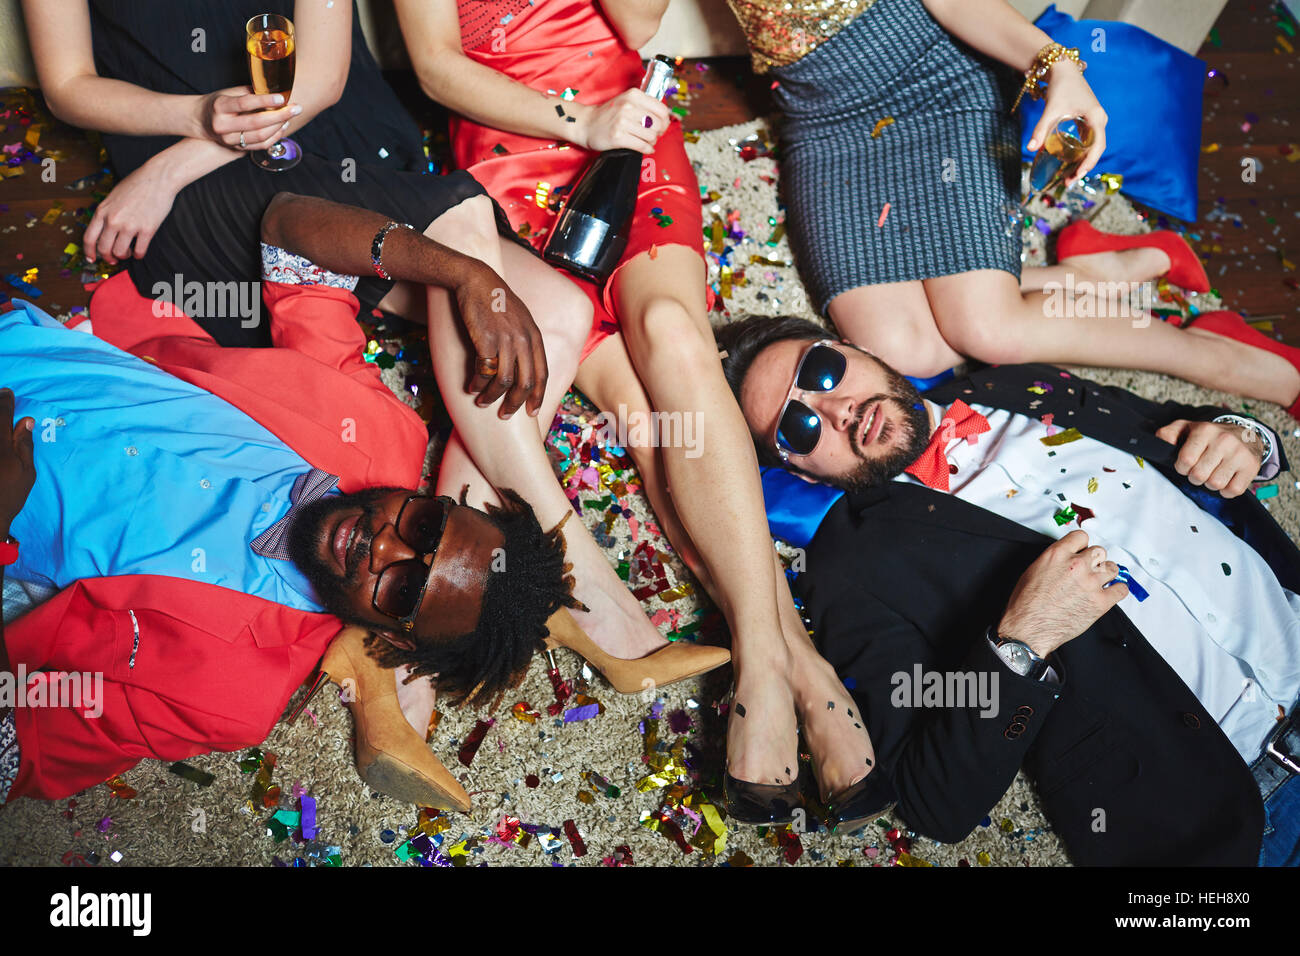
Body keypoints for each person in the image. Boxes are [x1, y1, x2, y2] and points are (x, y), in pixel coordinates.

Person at [390, 0, 892, 826]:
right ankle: (796, 666)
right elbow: (440, 67)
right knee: (645, 417)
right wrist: (574, 121)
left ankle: (766, 665)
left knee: (670, 332)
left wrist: (601, 121)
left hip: (628, 132)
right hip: (514, 168)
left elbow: (639, 23)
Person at [0, 191, 605, 810]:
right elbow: (287, 228)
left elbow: (15, 755)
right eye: (423, 527)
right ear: (441, 500)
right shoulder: (377, 430)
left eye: (403, 589)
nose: (384, 546)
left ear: (394, 640)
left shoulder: (226, 696)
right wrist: (464, 272)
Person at [715, 313, 1300, 866]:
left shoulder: (1020, 384)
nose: (837, 410)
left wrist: (1245, 438)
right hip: (1249, 808)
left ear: (856, 349)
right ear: (798, 471)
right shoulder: (852, 567)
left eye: (821, 372)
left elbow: (1188, 428)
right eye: (799, 425)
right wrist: (1021, 641)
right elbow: (931, 801)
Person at [722, 0, 1300, 416]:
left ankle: (1207, 351)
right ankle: (1085, 273)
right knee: (907, 351)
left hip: (933, 85)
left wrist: (1060, 66)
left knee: (987, 330)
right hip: (824, 121)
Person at [24, 0, 486, 348]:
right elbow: (67, 87)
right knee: (508, 306)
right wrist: (198, 117)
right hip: (171, 137)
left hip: (322, 122)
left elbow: (320, 80)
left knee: (539, 309)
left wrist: (168, 172)